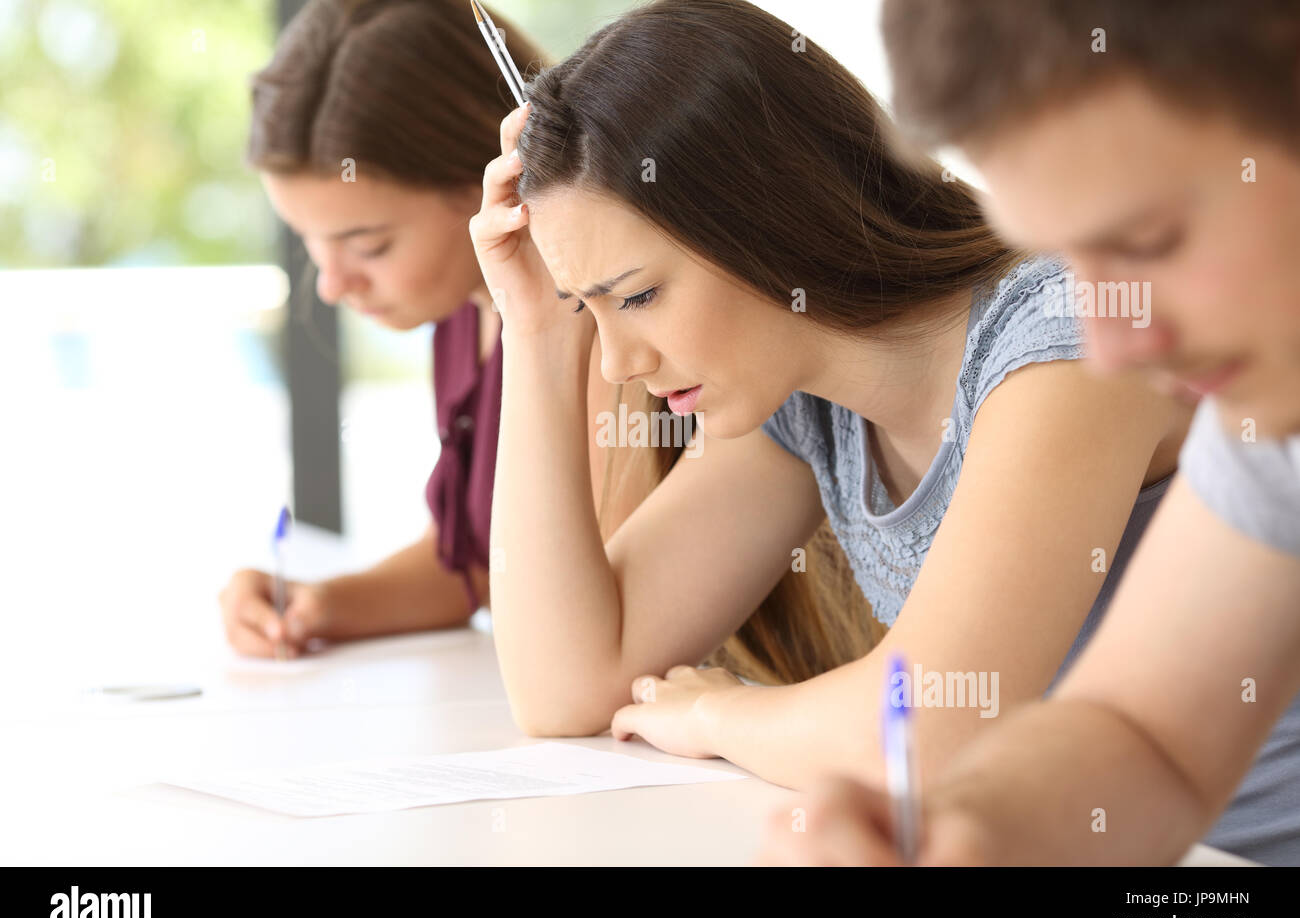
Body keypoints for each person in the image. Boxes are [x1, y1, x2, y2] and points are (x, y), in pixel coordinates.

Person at [467, 0, 1194, 801]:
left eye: (636, 297)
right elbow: (566, 689)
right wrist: (535, 330)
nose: (616, 364)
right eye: (586, 308)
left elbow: (924, 731)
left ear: (768, 214)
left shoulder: (1067, 334)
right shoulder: (805, 399)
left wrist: (719, 717)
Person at [759, 0, 1300, 865]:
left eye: (1149, 240)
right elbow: (1145, 737)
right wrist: (971, 830)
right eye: (1066, 262)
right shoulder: (1275, 418)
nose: (1115, 345)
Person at [220, 0, 875, 691]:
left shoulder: (615, 326)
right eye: (311, 246)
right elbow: (479, 561)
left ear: (491, 174)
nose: (331, 286)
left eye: (369, 244)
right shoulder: (464, 314)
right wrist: (325, 605)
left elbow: (589, 614)